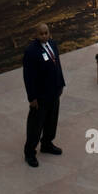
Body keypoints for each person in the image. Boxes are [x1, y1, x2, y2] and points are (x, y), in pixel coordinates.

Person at [22, 21, 65, 167]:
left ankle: (47, 143)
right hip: (40, 96)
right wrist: (32, 97)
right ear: (35, 35)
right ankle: (29, 152)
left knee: (52, 120)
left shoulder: (53, 44)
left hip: (54, 92)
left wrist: (61, 84)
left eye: (46, 32)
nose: (45, 35)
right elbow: (28, 77)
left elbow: (57, 65)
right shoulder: (31, 52)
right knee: (35, 125)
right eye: (41, 33)